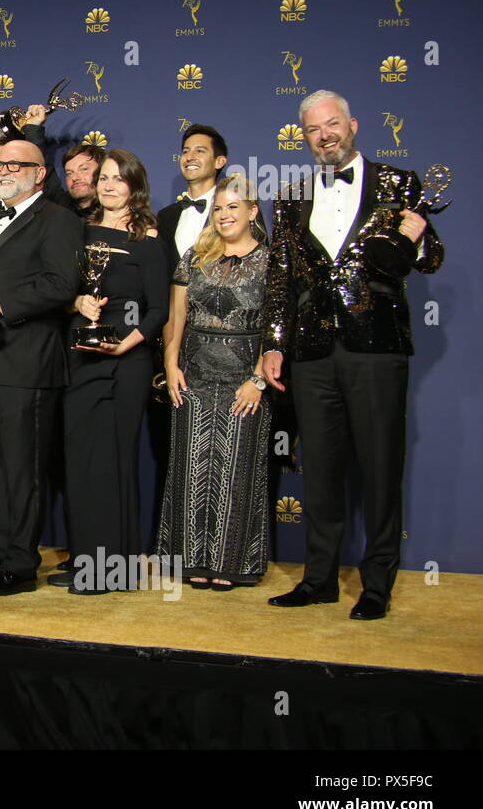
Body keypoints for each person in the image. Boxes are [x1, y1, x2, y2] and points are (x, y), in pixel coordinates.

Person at [263, 90, 442, 621]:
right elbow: (280, 280)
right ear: (305, 137)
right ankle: (319, 579)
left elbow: (429, 259)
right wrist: (274, 343)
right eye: (315, 129)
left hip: (377, 345)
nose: (325, 135)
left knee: (381, 466)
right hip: (312, 350)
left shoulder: (397, 182)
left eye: (333, 124)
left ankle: (377, 583)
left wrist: (418, 238)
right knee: (318, 468)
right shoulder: (291, 196)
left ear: (352, 125)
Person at [0, 141, 82, 595]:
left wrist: (2, 303)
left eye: (17, 164)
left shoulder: (58, 220)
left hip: (27, 365)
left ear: (40, 174)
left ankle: (20, 563)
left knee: (22, 471)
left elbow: (61, 284)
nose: (5, 170)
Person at [52, 149, 167, 594]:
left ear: (135, 186)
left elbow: (158, 309)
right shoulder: (76, 232)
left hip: (126, 361)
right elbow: (60, 288)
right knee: (79, 461)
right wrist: (74, 303)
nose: (109, 185)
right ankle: (85, 559)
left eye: (119, 179)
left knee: (114, 462)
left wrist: (126, 343)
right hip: (79, 353)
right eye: (103, 178)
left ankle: (113, 567)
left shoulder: (148, 239)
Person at [157, 174, 272, 589]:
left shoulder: (271, 262)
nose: (224, 215)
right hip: (194, 374)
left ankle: (231, 563)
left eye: (233, 208)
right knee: (190, 467)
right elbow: (176, 317)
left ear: (252, 212)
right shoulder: (194, 257)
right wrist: (170, 365)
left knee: (235, 470)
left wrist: (257, 380)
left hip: (245, 378)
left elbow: (278, 327)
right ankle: (188, 561)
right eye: (218, 208)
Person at [156, 124, 229, 276]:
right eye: (185, 151)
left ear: (219, 161)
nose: (189, 157)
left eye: (200, 151)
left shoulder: (236, 212)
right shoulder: (164, 217)